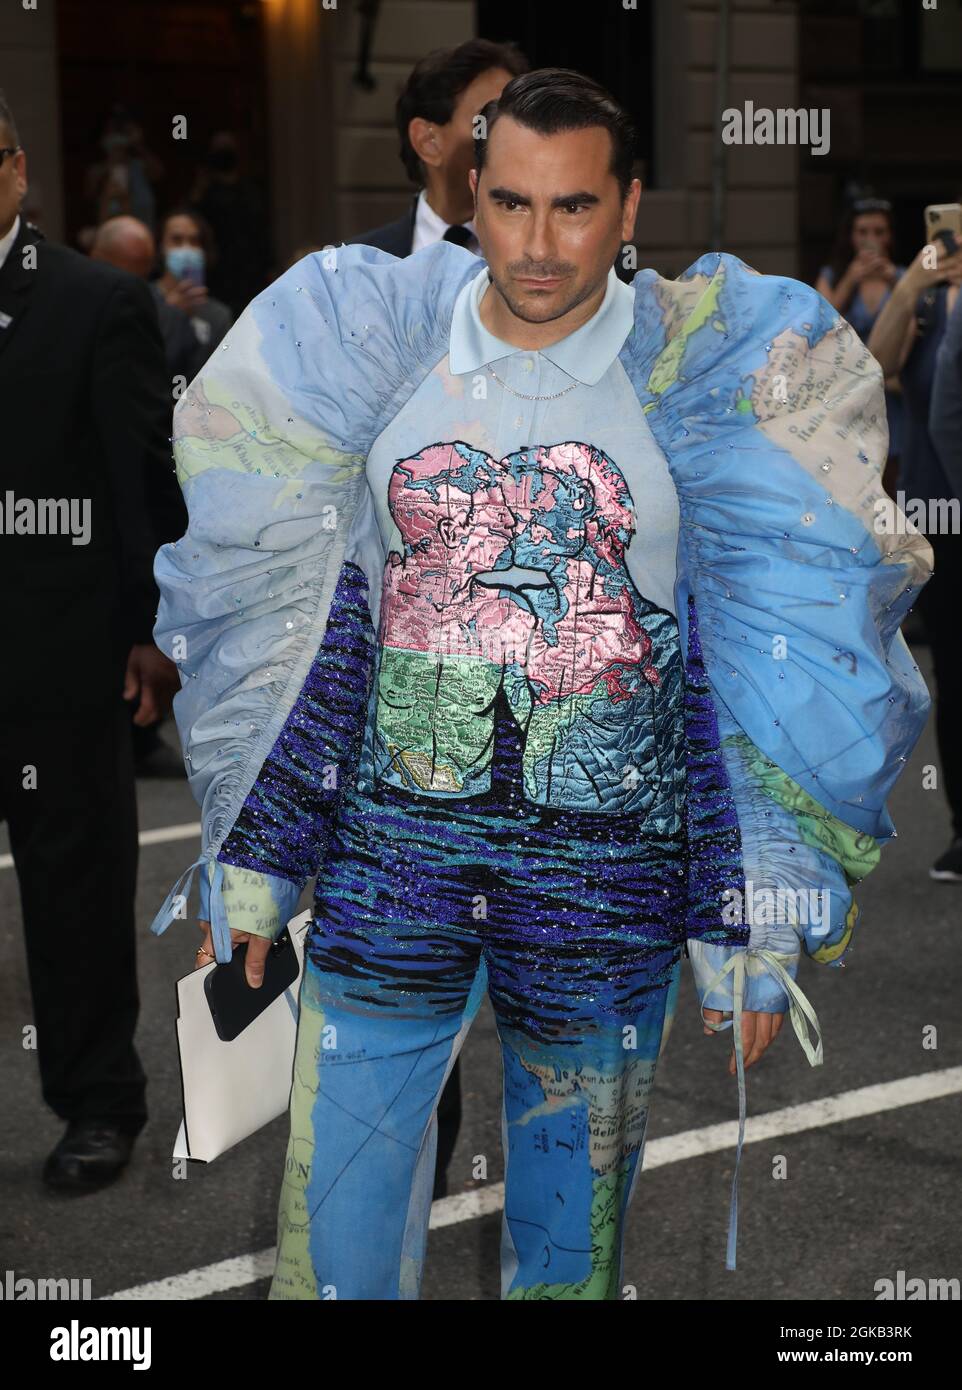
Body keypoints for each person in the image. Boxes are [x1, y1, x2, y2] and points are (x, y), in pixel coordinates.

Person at [150, 69, 932, 1299]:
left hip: (603, 895)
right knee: (336, 1253)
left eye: (571, 208)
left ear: (629, 208)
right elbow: (322, 630)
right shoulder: (371, 354)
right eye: (507, 203)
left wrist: (752, 911)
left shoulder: (705, 385)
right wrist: (255, 858)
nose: (534, 243)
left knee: (566, 1266)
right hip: (388, 874)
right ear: (471, 194)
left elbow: (750, 675)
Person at [348, 37, 527, 1201]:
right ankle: (408, 1188)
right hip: (404, 717)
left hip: (553, 700)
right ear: (427, 141)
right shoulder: (347, 293)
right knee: (405, 1015)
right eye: (487, 118)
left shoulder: (587, 283)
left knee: (560, 1011)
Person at [0, 91, 182, 1190]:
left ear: (16, 169)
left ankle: (99, 1100)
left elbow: (137, 484)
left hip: (59, 658)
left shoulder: (92, 302)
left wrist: (149, 633)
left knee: (72, 894)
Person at [868, 233, 962, 882]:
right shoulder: (929, 309)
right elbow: (876, 366)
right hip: (942, 516)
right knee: (955, 677)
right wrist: (910, 287)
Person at [815, 198, 906, 492]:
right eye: (863, 232)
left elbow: (920, 318)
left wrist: (895, 281)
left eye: (879, 232)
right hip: (847, 390)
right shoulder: (834, 274)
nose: (871, 240)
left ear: (890, 236)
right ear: (851, 236)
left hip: (892, 391)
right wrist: (850, 280)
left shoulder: (903, 277)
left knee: (892, 474)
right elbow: (818, 322)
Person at [153, 206, 233, 359]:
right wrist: (170, 314)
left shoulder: (218, 315)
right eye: (177, 240)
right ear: (161, 246)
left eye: (194, 241)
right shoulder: (143, 299)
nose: (187, 248)